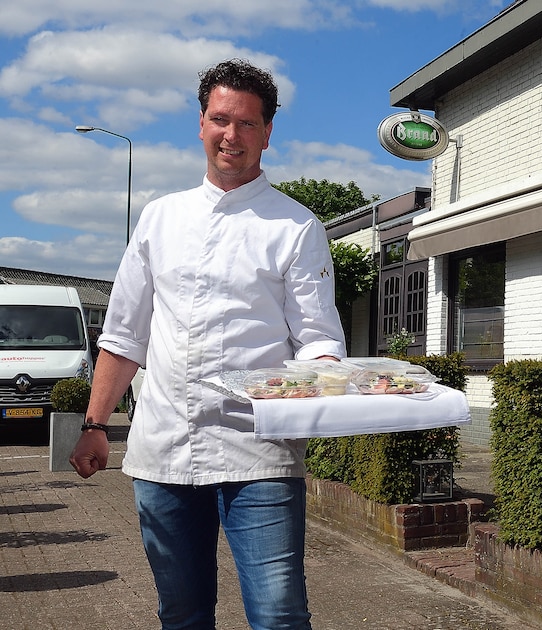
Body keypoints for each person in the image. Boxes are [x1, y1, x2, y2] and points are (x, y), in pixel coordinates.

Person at [69, 59, 346, 630]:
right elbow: (124, 335)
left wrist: (333, 387)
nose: (232, 135)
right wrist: (96, 424)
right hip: (164, 448)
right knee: (183, 613)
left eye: (247, 124)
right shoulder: (158, 218)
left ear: (268, 132)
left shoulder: (296, 226)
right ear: (200, 124)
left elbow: (318, 340)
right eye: (221, 119)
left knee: (278, 615)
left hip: (260, 451)